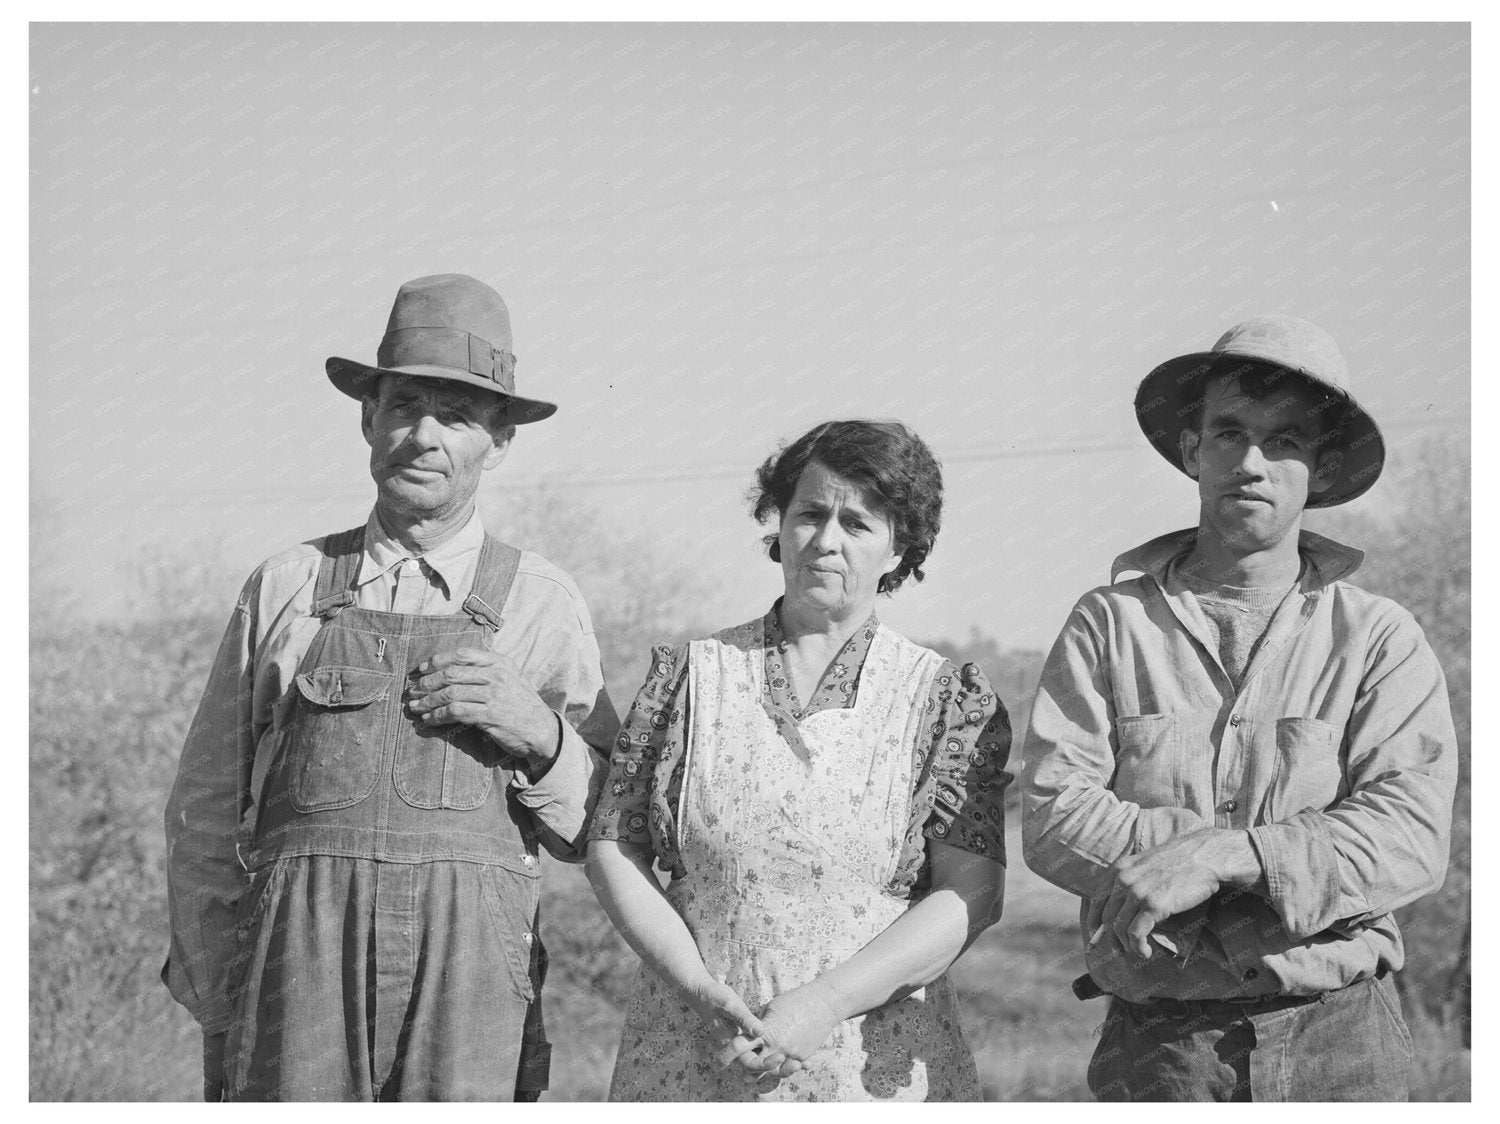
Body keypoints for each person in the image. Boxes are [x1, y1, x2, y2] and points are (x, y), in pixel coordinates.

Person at [162, 273, 618, 1101]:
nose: (424, 437)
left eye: (457, 416)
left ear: (500, 441)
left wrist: (542, 737)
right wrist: (226, 997)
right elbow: (201, 812)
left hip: (468, 1000)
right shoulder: (286, 587)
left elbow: (609, 832)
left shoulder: (544, 604)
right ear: (368, 417)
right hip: (290, 995)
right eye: (404, 405)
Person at [1021, 314, 1457, 1101]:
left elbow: (1410, 835)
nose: (1251, 463)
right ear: (1192, 452)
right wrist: (1193, 850)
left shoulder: (1378, 637)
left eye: (1285, 441)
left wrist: (1225, 857)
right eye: (1229, 435)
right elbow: (1053, 814)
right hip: (1160, 1044)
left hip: (1341, 1037)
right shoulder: (1110, 624)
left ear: (1321, 470)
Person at [586, 420, 1011, 1101]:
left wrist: (822, 1005)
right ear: (778, 524)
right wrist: (696, 986)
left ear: (900, 546)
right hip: (693, 1050)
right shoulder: (689, 677)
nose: (826, 540)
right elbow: (615, 848)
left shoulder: (941, 699)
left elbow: (974, 893)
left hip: (867, 1070)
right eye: (810, 513)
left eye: (858, 523)